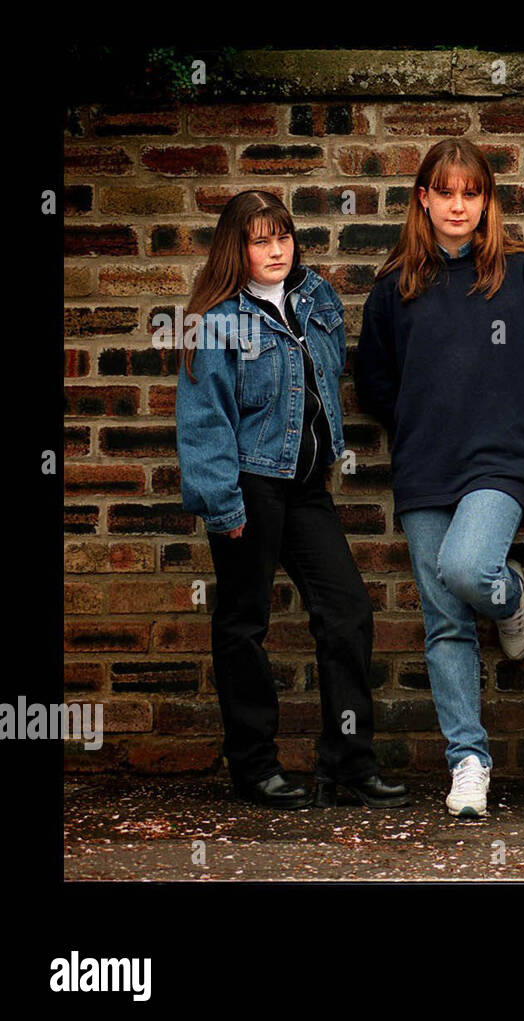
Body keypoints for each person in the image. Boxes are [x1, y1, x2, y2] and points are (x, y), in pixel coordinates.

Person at [356, 139, 524, 819]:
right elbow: (374, 384)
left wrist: (510, 418)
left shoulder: (519, 275)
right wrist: (427, 423)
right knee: (444, 622)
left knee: (467, 568)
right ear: (422, 197)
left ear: (487, 201)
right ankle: (468, 760)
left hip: (500, 464)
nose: (458, 205)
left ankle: (510, 596)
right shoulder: (394, 287)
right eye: (444, 192)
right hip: (426, 468)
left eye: (471, 193)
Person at [176, 190, 407, 810]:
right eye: (260, 240)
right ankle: (254, 768)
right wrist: (223, 507)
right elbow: (205, 421)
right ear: (236, 249)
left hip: (304, 487)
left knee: (348, 611)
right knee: (244, 625)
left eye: (283, 236)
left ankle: (349, 766)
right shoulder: (218, 320)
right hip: (248, 485)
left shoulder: (316, 298)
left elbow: (327, 382)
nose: (276, 250)